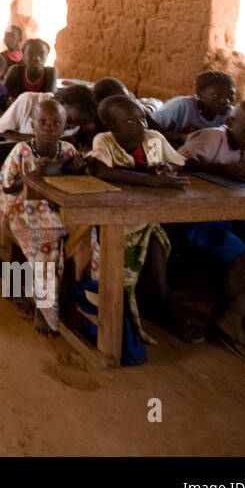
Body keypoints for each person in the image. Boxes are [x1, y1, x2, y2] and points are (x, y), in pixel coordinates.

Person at [172, 101, 245, 359]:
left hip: (234, 214)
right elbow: (175, 162)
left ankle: (230, 316)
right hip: (197, 216)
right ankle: (230, 321)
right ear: (231, 123)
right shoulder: (213, 137)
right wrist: (221, 168)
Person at [86, 95, 201, 345]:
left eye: (142, 119)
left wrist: (166, 170)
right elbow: (101, 170)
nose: (141, 126)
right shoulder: (104, 140)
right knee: (153, 245)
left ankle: (158, 297)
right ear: (112, 125)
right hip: (115, 217)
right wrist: (152, 180)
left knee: (160, 243)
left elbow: (179, 164)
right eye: (131, 121)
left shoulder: (154, 140)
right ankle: (153, 300)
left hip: (149, 214)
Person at [0, 99, 87, 333]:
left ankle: (81, 307)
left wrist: (77, 168)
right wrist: (34, 175)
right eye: (42, 122)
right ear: (32, 125)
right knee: (46, 244)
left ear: (65, 127)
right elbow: (7, 187)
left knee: (89, 238)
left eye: (56, 123)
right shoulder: (22, 151)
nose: (48, 127)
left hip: (57, 207)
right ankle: (45, 307)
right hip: (23, 208)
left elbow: (76, 184)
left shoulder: (67, 150)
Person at [0, 85, 99, 149]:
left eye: (77, 125)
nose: (71, 127)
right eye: (70, 120)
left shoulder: (76, 122)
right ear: (62, 104)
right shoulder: (29, 100)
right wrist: (42, 140)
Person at [149, 70, 235, 141]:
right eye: (216, 96)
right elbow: (149, 127)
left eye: (230, 96)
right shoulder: (182, 106)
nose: (225, 101)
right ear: (199, 93)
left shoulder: (232, 116)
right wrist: (180, 137)